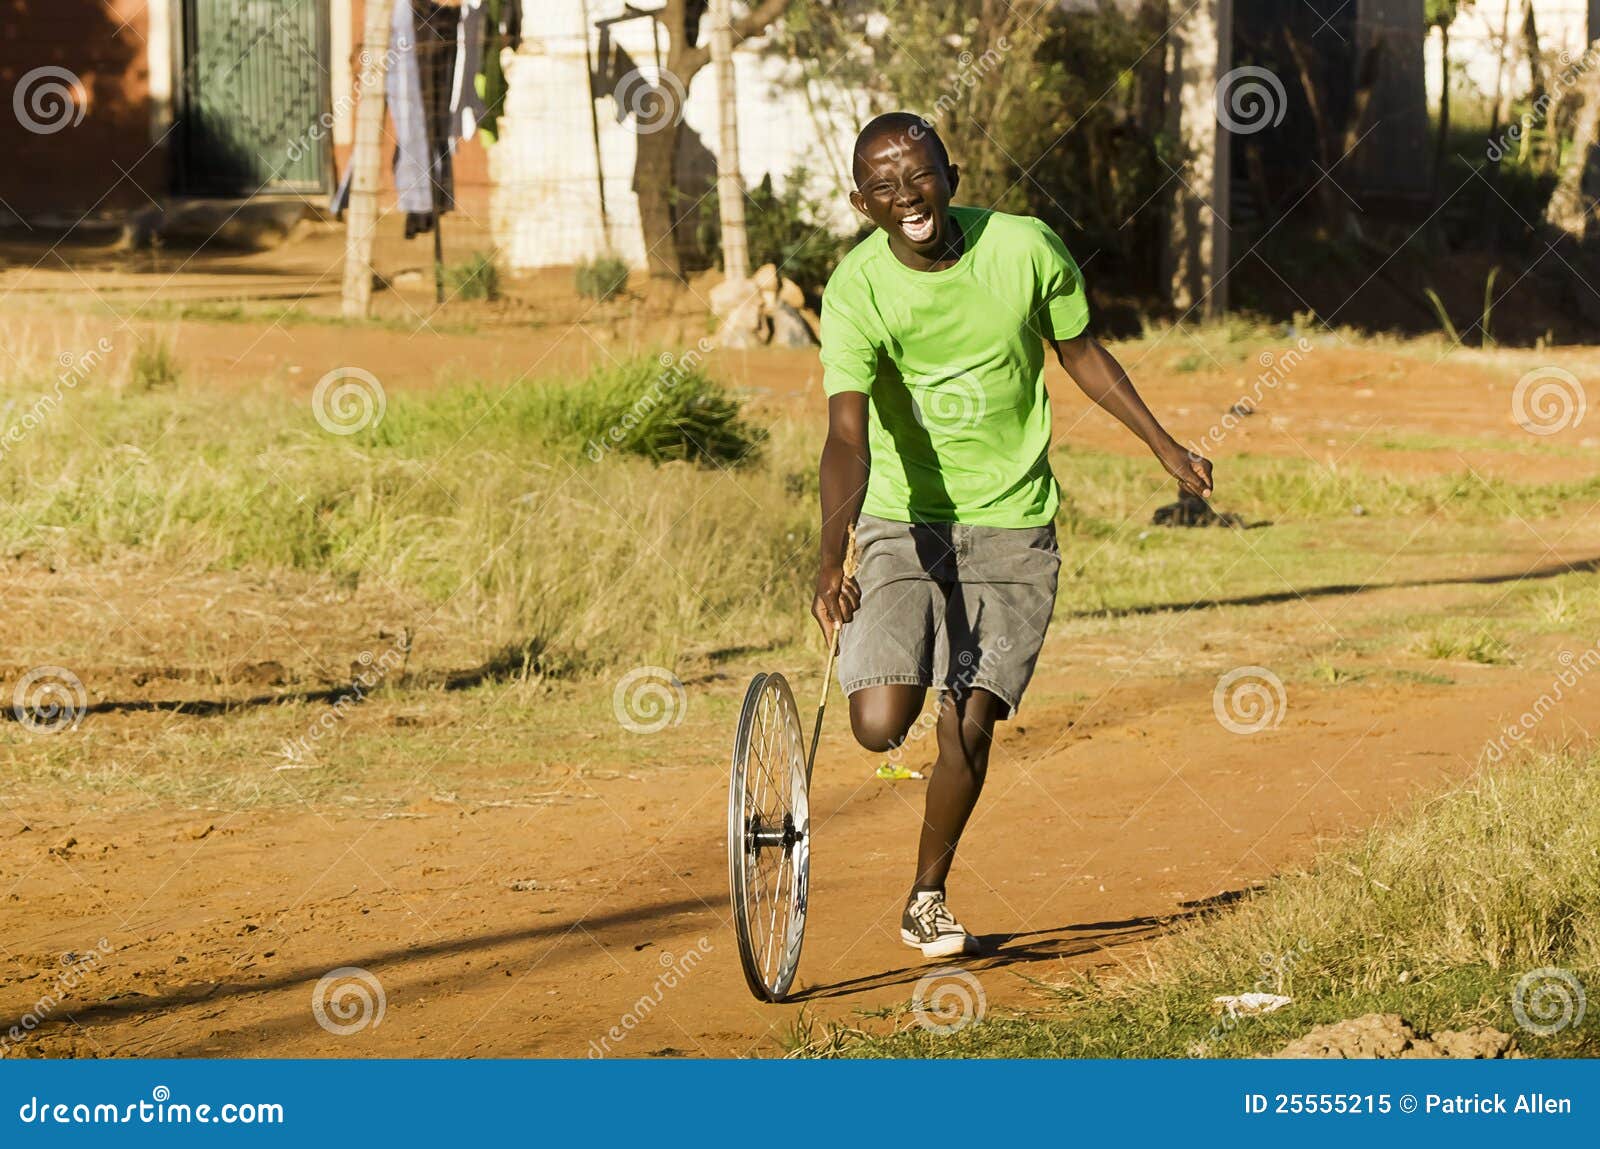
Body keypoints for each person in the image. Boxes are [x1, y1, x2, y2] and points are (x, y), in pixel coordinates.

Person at [813, 112, 1213, 958]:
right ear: (860, 202)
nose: (906, 196)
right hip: (903, 518)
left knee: (968, 720)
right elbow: (847, 435)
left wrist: (1164, 445)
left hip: (1012, 524)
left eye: (919, 175)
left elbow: (1082, 352)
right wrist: (827, 558)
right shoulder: (855, 288)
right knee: (879, 723)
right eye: (883, 185)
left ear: (951, 176)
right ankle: (905, 667)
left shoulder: (1025, 248)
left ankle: (926, 897)